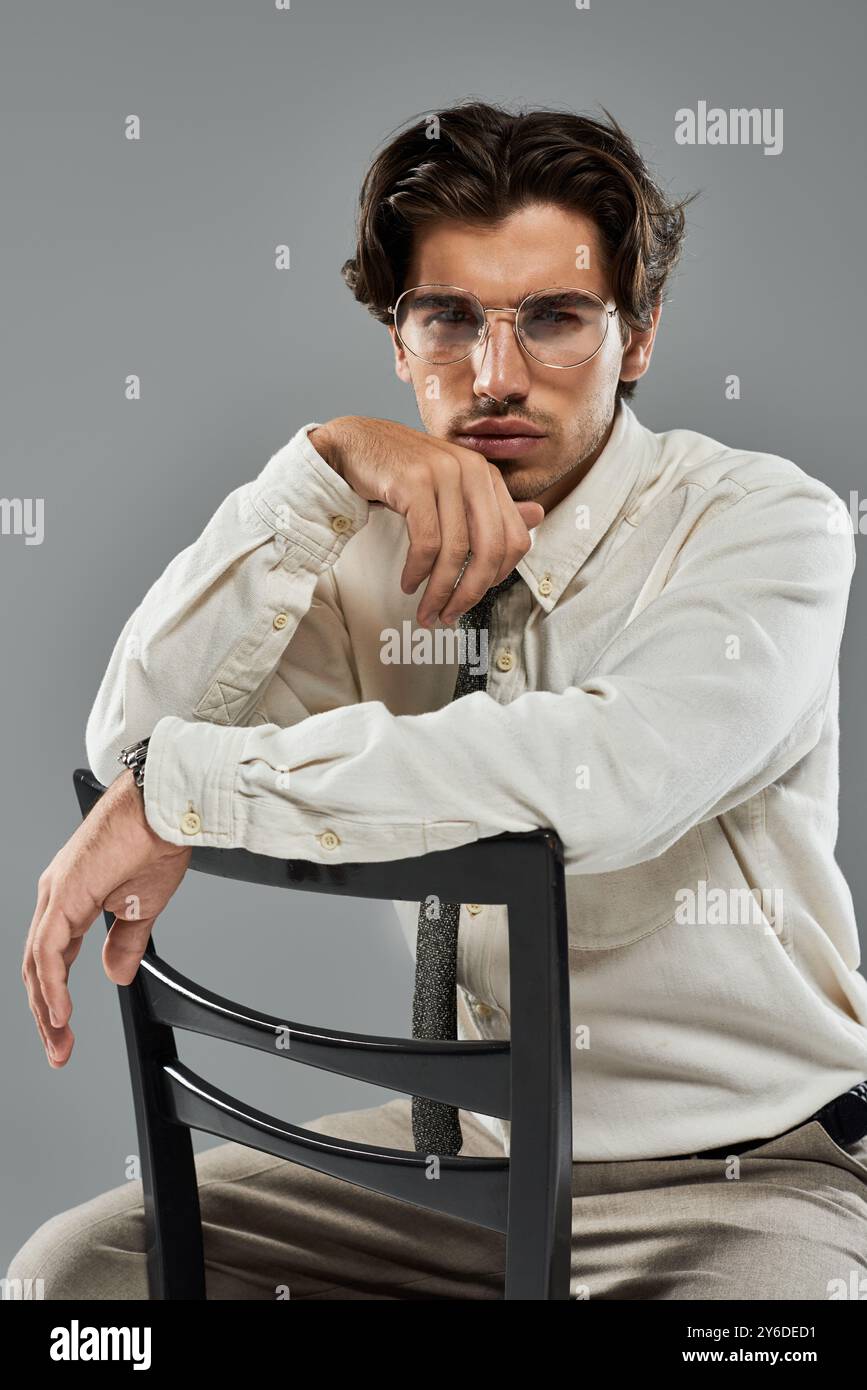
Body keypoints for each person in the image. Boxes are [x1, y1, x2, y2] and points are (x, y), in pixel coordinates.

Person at [10, 101, 867, 1301]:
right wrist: (314, 473)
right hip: (458, 1162)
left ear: (639, 338)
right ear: (400, 343)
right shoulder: (367, 544)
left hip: (740, 1179)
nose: (497, 375)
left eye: (557, 320)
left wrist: (186, 797)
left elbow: (602, 779)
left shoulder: (767, 525)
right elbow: (135, 743)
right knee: (77, 1284)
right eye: (449, 320)